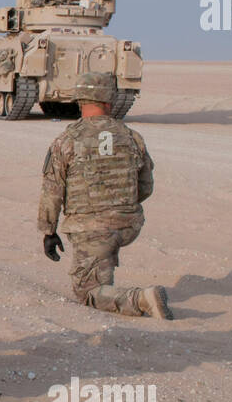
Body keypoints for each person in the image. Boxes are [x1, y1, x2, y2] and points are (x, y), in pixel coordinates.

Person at [38, 71, 172, 319]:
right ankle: (107, 277)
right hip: (129, 224)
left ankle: (141, 299)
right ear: (109, 102)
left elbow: (52, 190)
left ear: (80, 101)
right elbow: (146, 186)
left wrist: (48, 231)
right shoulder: (131, 136)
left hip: (91, 229)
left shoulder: (67, 139)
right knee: (102, 256)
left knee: (87, 292)